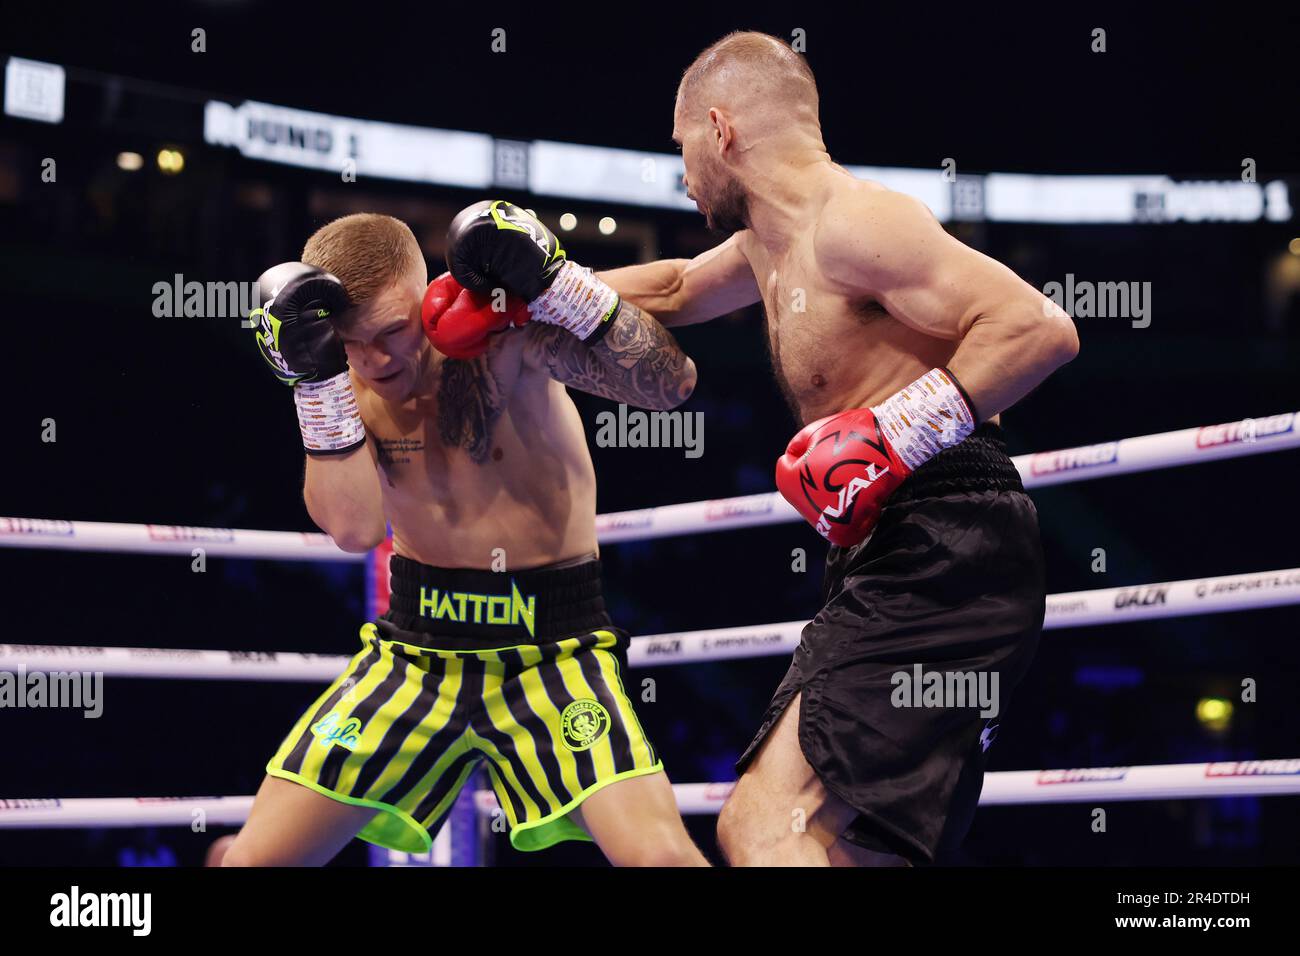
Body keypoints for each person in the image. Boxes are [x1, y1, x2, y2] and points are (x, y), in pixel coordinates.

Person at [598, 31, 1080, 865]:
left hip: (944, 535)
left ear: (720, 129)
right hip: (893, 544)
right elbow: (672, 287)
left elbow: (1040, 327)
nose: (681, 177)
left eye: (680, 147)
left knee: (762, 825)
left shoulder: (857, 222)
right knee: (852, 841)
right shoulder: (770, 243)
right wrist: (530, 286)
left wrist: (900, 430)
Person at [222, 208, 708, 866]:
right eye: (352, 340)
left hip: (554, 650)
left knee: (661, 859)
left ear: (427, 294)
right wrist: (313, 384)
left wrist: (560, 283)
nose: (377, 358)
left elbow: (669, 385)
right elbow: (354, 529)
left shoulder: (501, 336)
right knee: (253, 860)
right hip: (416, 653)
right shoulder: (334, 382)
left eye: (393, 331)